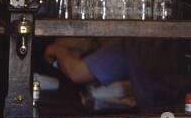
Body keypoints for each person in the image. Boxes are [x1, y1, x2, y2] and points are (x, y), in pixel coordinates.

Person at [44, 37, 175, 113]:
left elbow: (77, 73)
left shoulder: (135, 41)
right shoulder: (136, 41)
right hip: (183, 116)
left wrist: (58, 50)